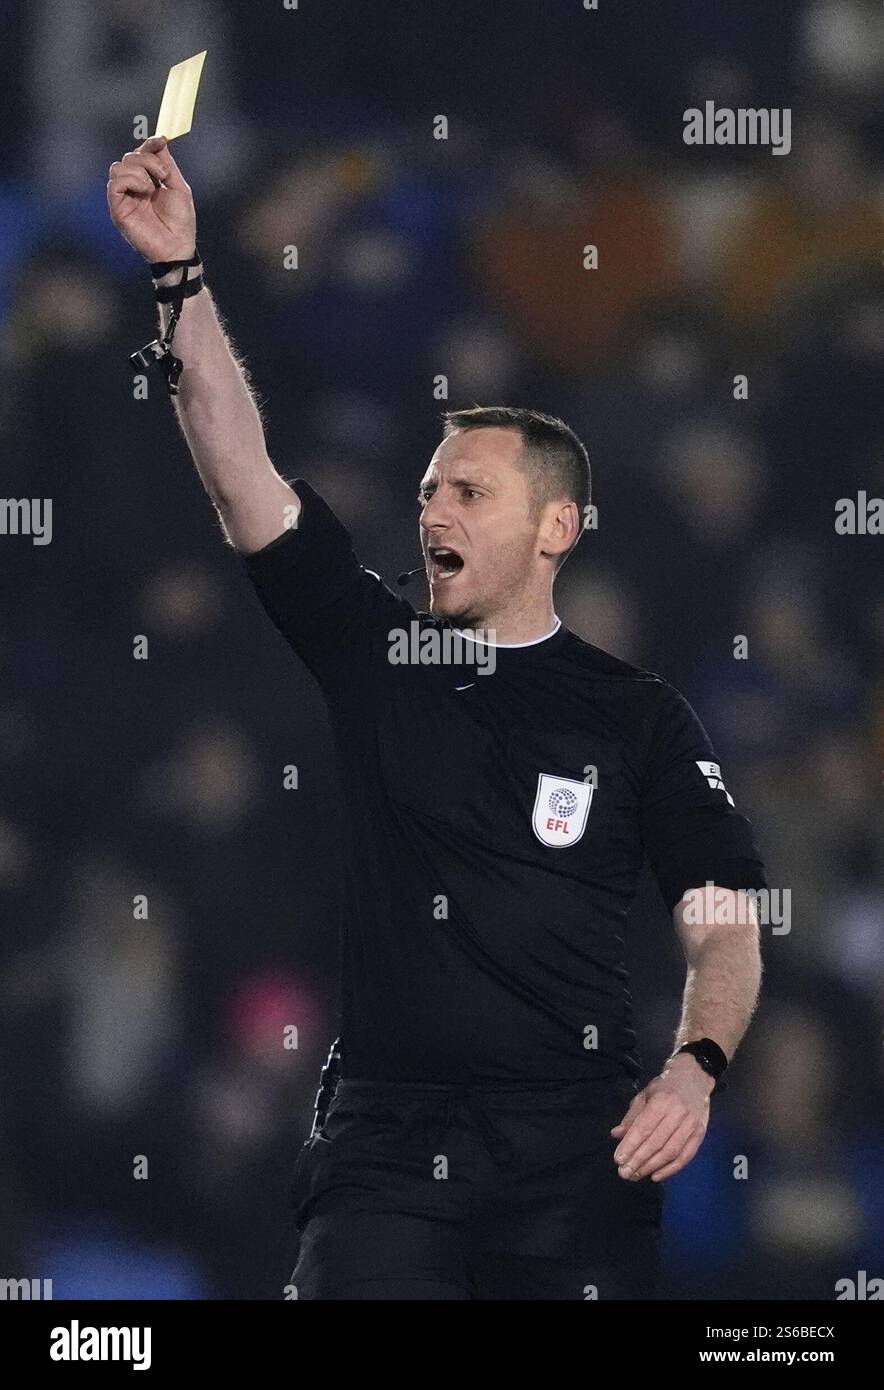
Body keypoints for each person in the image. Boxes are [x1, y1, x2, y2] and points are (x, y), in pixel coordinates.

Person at [107, 137, 766, 1300]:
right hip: (389, 1143)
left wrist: (695, 1066)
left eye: (468, 490)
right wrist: (180, 280)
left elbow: (723, 922)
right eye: (424, 492)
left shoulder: (638, 718)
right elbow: (239, 469)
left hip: (575, 1148)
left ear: (556, 528)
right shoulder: (375, 653)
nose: (431, 511)